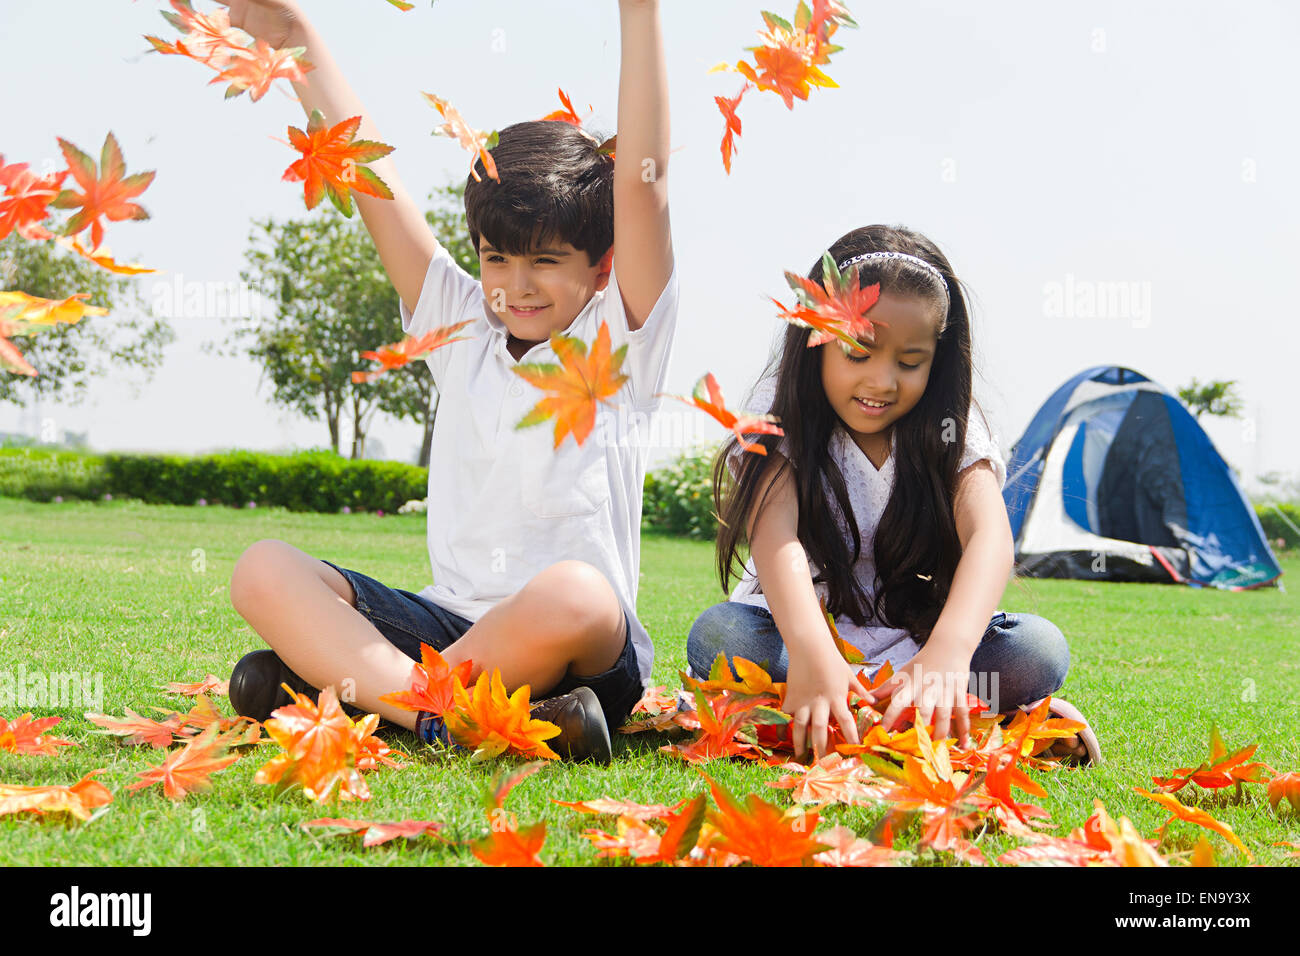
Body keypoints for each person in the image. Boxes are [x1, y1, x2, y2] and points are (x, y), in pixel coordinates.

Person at [219, 0, 677, 763]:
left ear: (600, 267)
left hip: (580, 644)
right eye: (497, 258)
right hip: (444, 633)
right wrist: (298, 40)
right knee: (261, 569)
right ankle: (440, 716)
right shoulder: (459, 322)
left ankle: (343, 693)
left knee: (577, 592)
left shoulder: (620, 336)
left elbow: (645, 188)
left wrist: (640, 10)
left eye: (546, 261)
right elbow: (370, 177)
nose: (515, 285)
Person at [687, 224, 1100, 764]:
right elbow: (775, 535)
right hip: (799, 640)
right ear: (815, 341)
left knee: (1036, 648)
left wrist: (947, 655)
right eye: (858, 351)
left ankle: (890, 706)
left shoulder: (952, 426)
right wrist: (814, 654)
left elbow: (990, 538)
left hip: (921, 646)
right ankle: (968, 717)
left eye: (910, 363)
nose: (882, 382)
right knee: (720, 634)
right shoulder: (778, 411)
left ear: (938, 357)